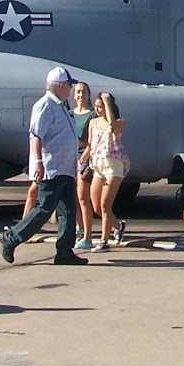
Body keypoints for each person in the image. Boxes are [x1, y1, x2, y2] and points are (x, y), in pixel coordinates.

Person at [0, 66, 86, 266]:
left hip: (65, 169)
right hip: (52, 167)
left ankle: (64, 251)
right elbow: (36, 135)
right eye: (69, 86)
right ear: (61, 85)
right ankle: (11, 238)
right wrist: (38, 162)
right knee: (44, 208)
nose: (71, 90)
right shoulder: (46, 105)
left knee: (68, 211)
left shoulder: (61, 106)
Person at [86, 90, 129, 251]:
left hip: (113, 165)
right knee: (96, 206)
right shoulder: (93, 123)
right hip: (98, 165)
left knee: (105, 205)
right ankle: (118, 226)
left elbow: (113, 126)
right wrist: (85, 160)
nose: (98, 110)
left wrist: (108, 104)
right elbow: (91, 144)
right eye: (96, 106)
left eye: (101, 106)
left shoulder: (118, 121)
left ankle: (104, 241)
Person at [70, 81, 98, 249]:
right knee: (71, 197)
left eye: (84, 92)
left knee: (82, 197)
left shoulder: (92, 116)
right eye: (78, 92)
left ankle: (88, 236)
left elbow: (92, 141)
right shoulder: (69, 114)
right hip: (69, 157)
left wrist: (84, 156)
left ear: (88, 95)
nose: (81, 95)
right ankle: (78, 227)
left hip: (84, 158)